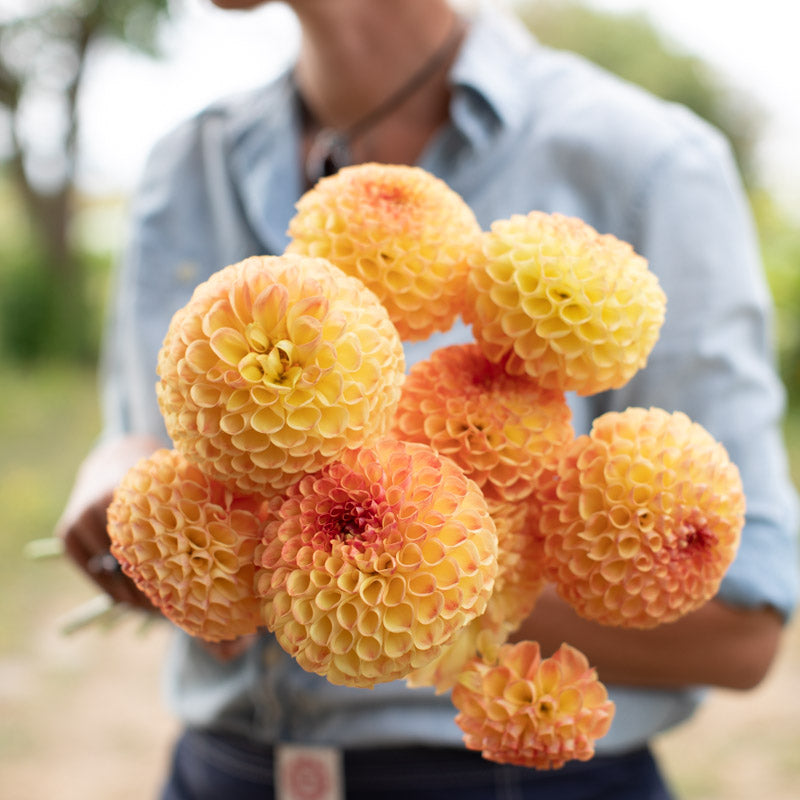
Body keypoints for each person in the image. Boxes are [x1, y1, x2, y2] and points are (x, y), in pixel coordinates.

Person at [56, 0, 799, 797]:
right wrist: (120, 473)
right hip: (223, 773)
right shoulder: (183, 161)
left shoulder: (651, 159)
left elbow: (743, 635)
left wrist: (418, 581)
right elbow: (153, 440)